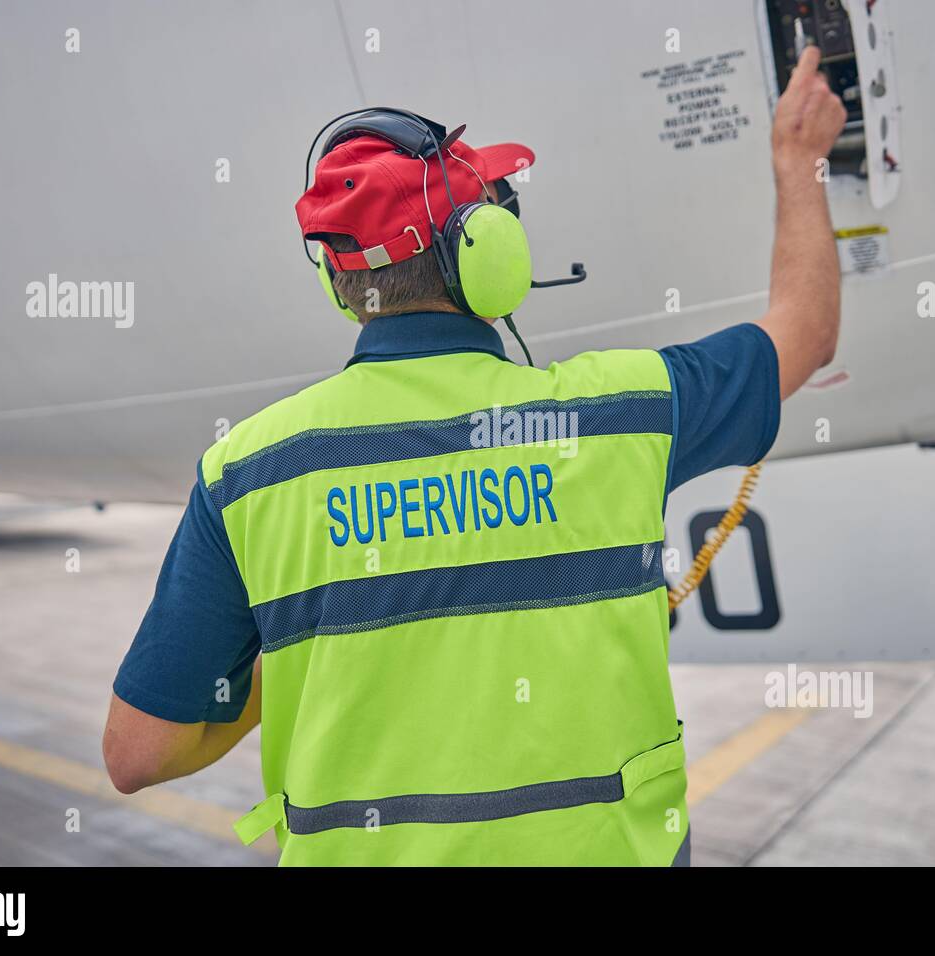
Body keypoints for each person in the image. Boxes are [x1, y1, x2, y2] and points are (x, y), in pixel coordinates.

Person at [102, 46, 846, 866]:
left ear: (338, 285)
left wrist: (292, 652)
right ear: (488, 255)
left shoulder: (245, 475)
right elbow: (805, 333)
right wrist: (801, 159)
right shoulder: (621, 414)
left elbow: (137, 755)